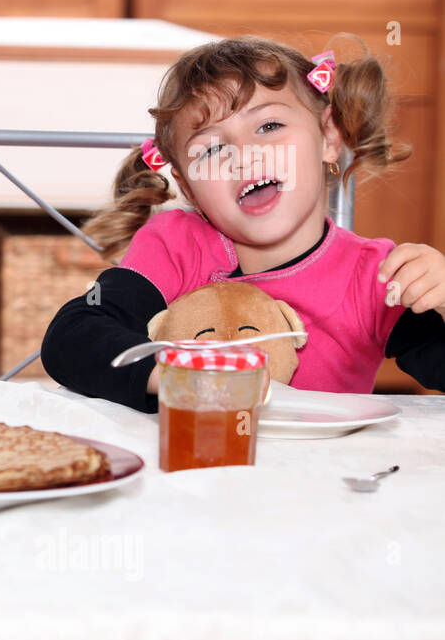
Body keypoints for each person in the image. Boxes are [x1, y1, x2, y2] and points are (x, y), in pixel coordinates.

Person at [41, 35, 445, 411]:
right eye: (212, 148)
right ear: (188, 186)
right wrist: (185, 378)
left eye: (269, 126)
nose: (244, 155)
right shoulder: (177, 245)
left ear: (329, 137)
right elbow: (74, 337)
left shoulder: (375, 276)